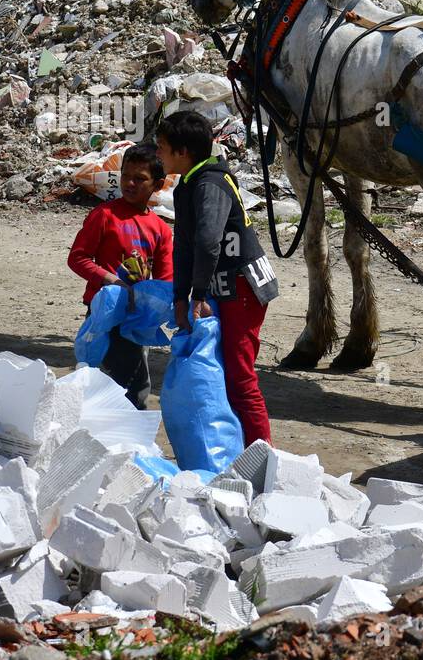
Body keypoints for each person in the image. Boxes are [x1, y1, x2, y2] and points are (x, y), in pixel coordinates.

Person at [154, 112, 278, 445]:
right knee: (223, 371)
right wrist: (181, 297)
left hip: (243, 286)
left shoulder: (211, 184)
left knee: (240, 377)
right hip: (222, 285)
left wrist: (197, 296)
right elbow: (184, 246)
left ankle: (262, 458)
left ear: (182, 151)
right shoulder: (188, 185)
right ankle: (234, 449)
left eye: (162, 147)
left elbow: (208, 242)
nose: (158, 154)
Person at [67, 142, 173, 409]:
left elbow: (165, 281)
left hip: (137, 318)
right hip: (105, 312)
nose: (130, 183)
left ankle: (121, 434)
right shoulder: (104, 215)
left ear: (157, 185)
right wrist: (111, 280)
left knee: (132, 381)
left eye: (140, 179)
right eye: (126, 175)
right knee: (128, 383)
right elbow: (77, 258)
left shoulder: (160, 228)